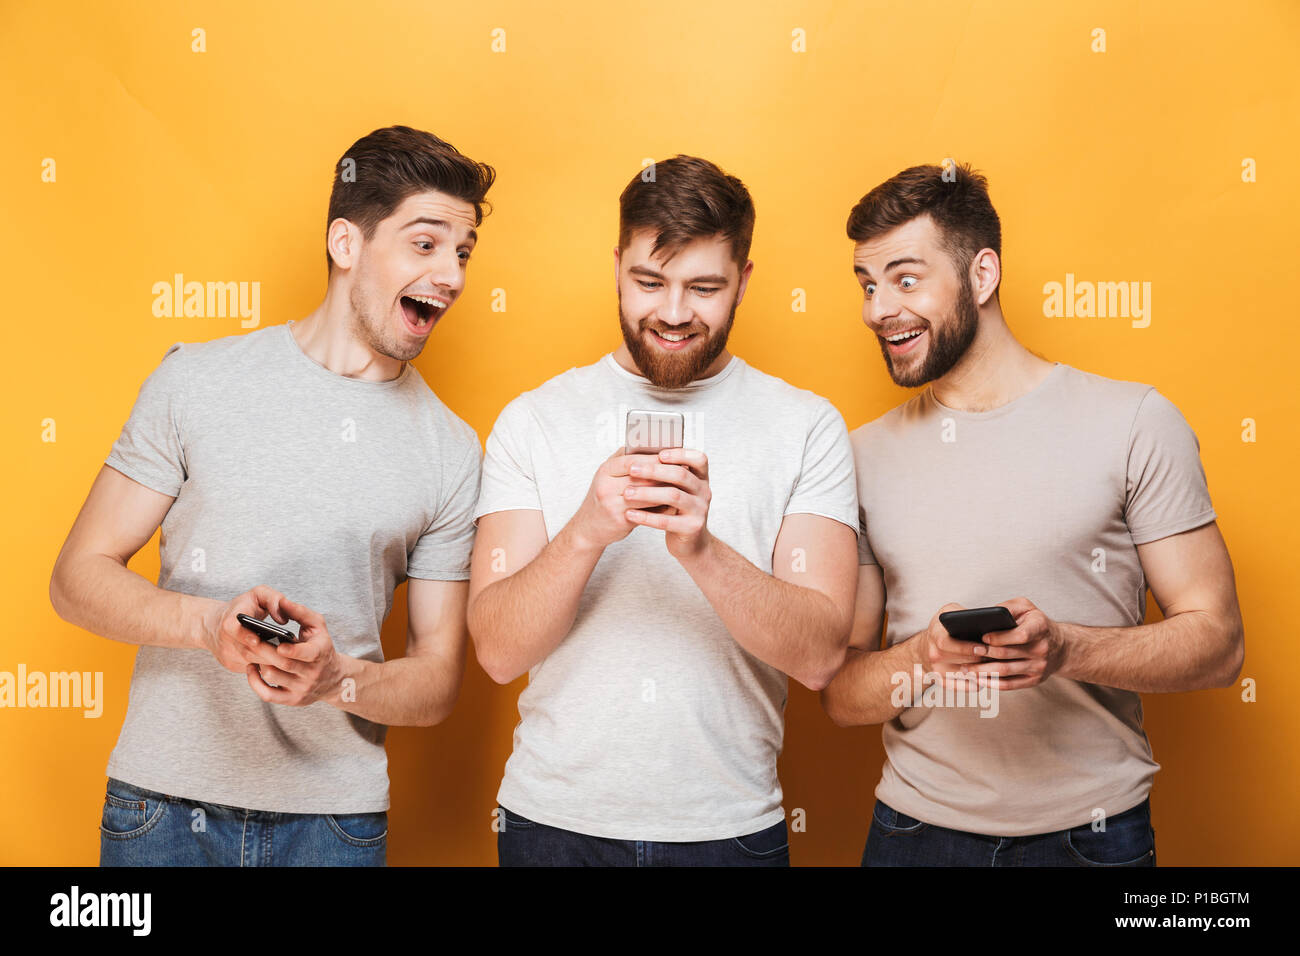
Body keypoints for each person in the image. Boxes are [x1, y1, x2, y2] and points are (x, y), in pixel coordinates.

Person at [48, 125, 494, 866]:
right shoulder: (197, 381)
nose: (450, 274)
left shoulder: (451, 450)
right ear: (346, 245)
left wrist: (337, 678)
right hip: (159, 808)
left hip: (334, 825)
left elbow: (438, 680)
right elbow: (76, 578)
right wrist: (209, 626)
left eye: (463, 253)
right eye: (426, 244)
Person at [821, 161, 1245, 866]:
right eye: (867, 286)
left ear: (982, 276)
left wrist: (1067, 651)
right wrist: (925, 656)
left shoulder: (1135, 422)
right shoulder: (858, 457)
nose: (876, 309)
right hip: (914, 836)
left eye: (904, 278)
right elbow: (843, 694)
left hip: (1094, 837)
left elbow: (1220, 644)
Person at [468, 155, 860, 866]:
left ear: (744, 279)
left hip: (730, 828)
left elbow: (822, 655)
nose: (674, 313)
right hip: (552, 824)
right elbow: (497, 652)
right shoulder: (534, 420)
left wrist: (702, 551)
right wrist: (587, 530)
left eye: (704, 287)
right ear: (617, 266)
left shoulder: (806, 425)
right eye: (649, 282)